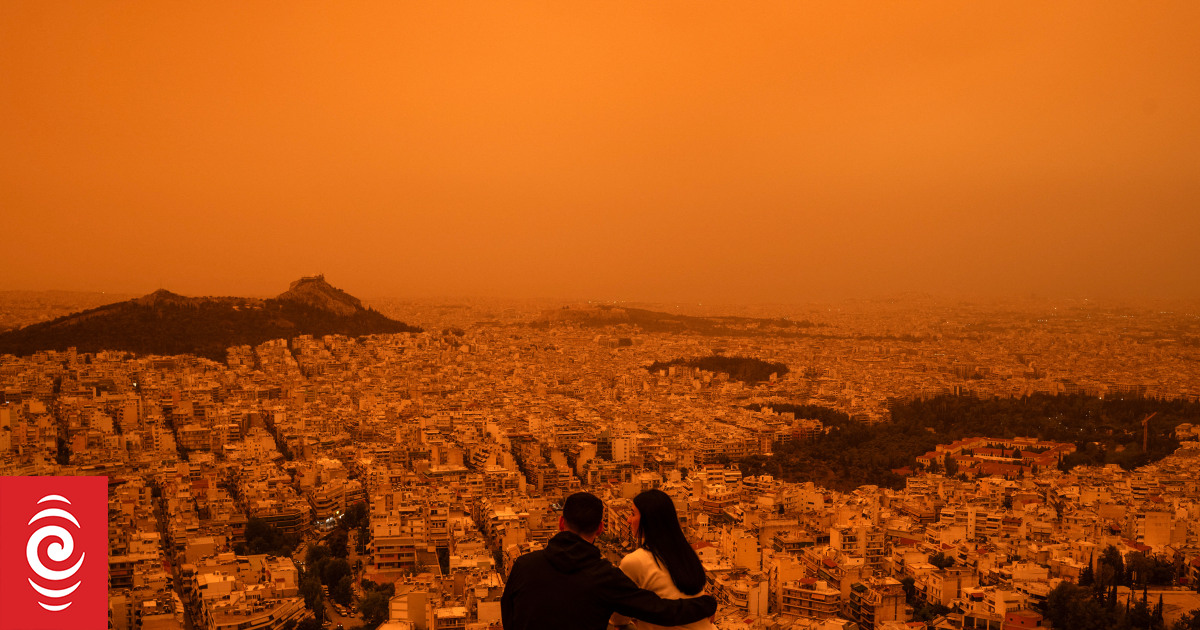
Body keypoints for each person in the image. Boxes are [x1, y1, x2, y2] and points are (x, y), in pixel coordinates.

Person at [501, 492, 717, 630]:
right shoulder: (605, 577)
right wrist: (707, 603)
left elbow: (507, 610)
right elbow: (661, 611)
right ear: (600, 528)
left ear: (560, 523)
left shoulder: (524, 565)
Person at [611, 489, 712, 630]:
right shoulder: (687, 555)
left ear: (648, 519)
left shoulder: (634, 561)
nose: (628, 520)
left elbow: (617, 617)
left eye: (633, 514)